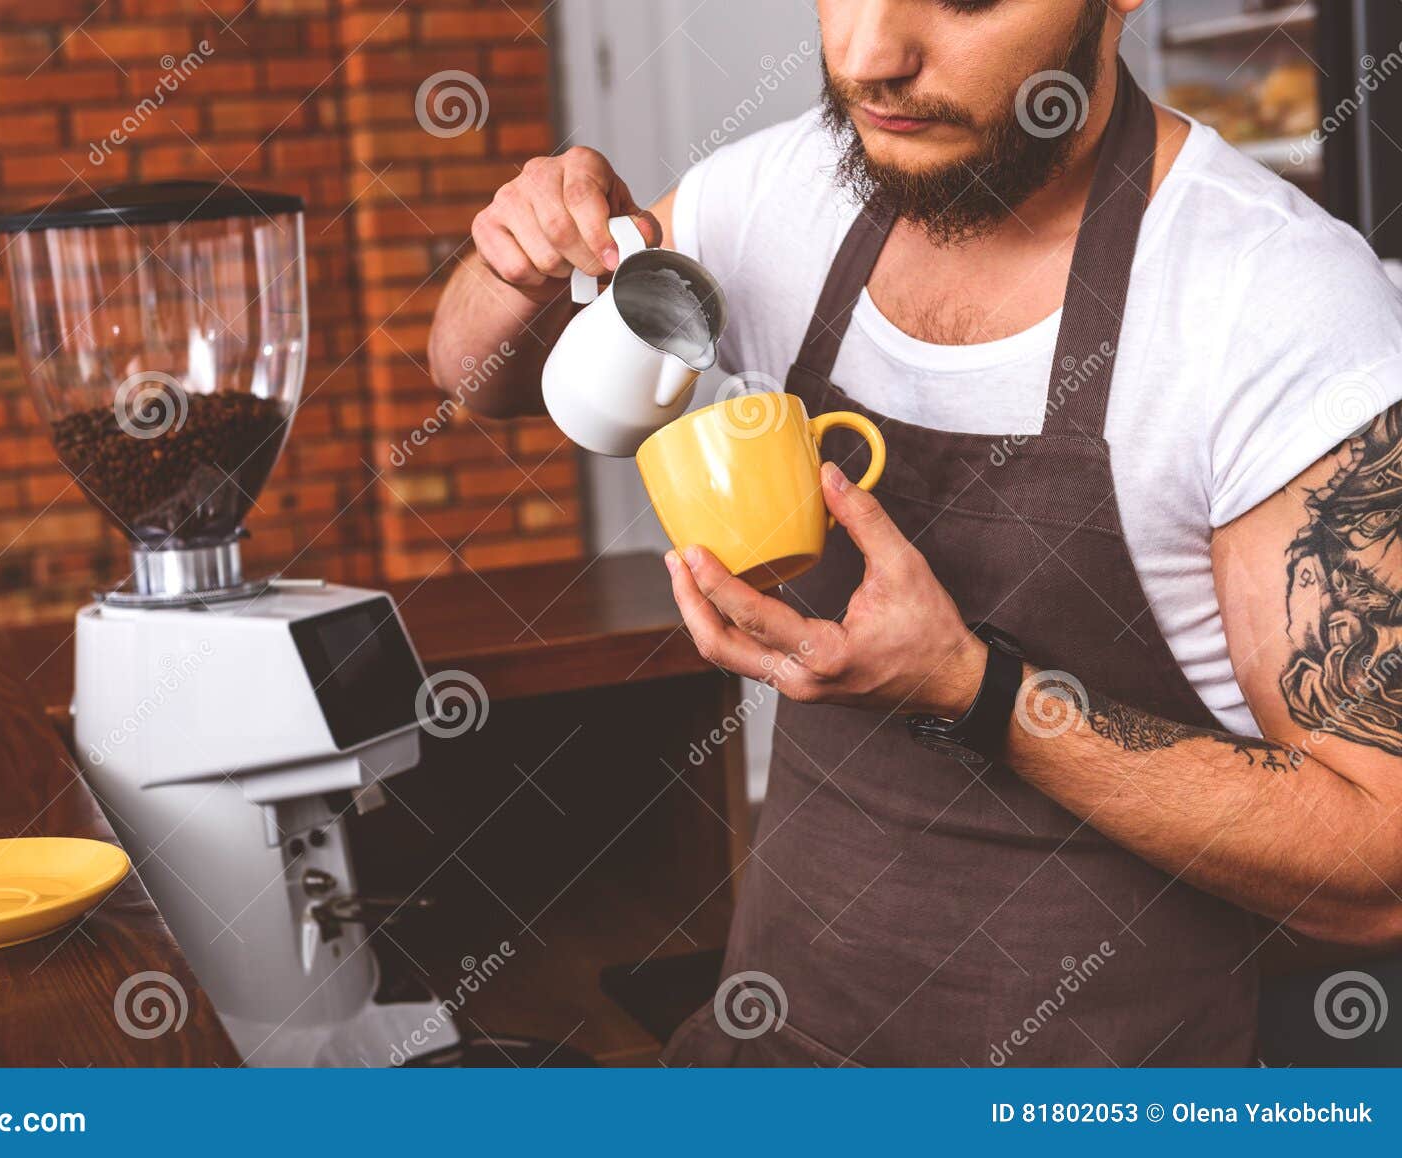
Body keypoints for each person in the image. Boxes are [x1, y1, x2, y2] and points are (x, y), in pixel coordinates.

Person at [426, 0, 1402, 1065]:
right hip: (771, 1052)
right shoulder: (774, 195)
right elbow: (474, 380)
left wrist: (976, 693)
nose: (867, 58)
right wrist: (514, 266)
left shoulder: (1273, 301)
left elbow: (1378, 872)